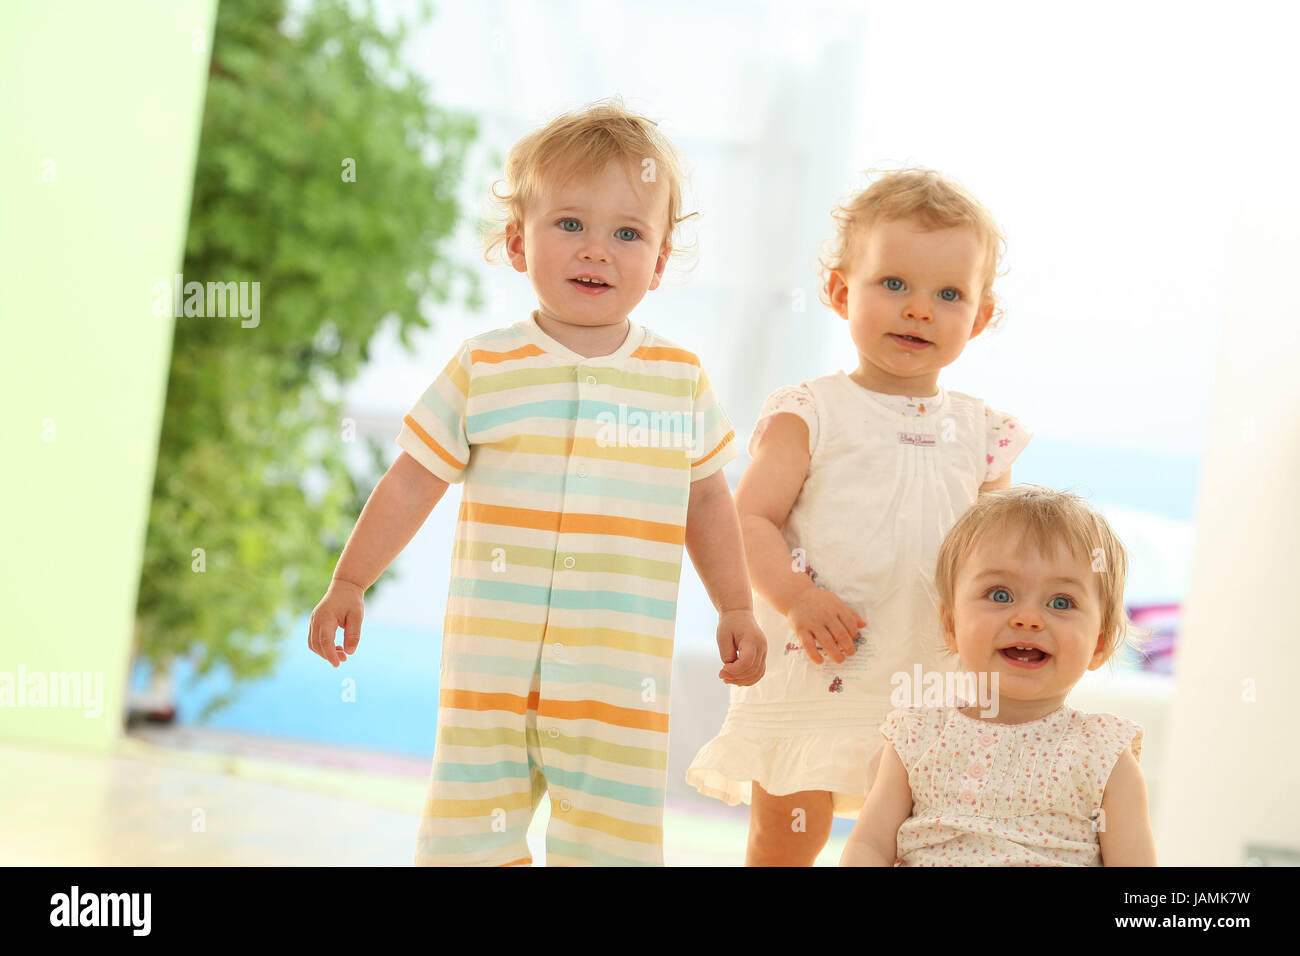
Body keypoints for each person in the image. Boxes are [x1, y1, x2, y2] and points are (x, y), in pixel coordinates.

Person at [307, 99, 766, 866]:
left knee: (610, 849)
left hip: (618, 678)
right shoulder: (486, 366)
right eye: (570, 225)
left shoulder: (678, 380)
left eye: (628, 233)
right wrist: (351, 579)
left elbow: (708, 497)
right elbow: (413, 480)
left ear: (658, 262)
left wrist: (736, 602)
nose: (598, 252)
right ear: (519, 242)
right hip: (490, 670)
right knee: (465, 842)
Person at [687, 167, 1032, 865]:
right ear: (842, 291)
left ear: (981, 316)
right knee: (785, 835)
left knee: (921, 841)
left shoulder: (982, 434)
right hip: (820, 663)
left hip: (929, 679)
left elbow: (1000, 561)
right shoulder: (811, 413)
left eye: (948, 294)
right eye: (893, 284)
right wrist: (796, 596)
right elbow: (748, 520)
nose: (918, 309)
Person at [840, 485, 1156, 866]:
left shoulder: (1104, 755)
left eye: (1061, 602)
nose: (1028, 618)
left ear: (1100, 644)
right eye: (1000, 595)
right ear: (951, 625)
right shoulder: (916, 736)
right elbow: (870, 846)